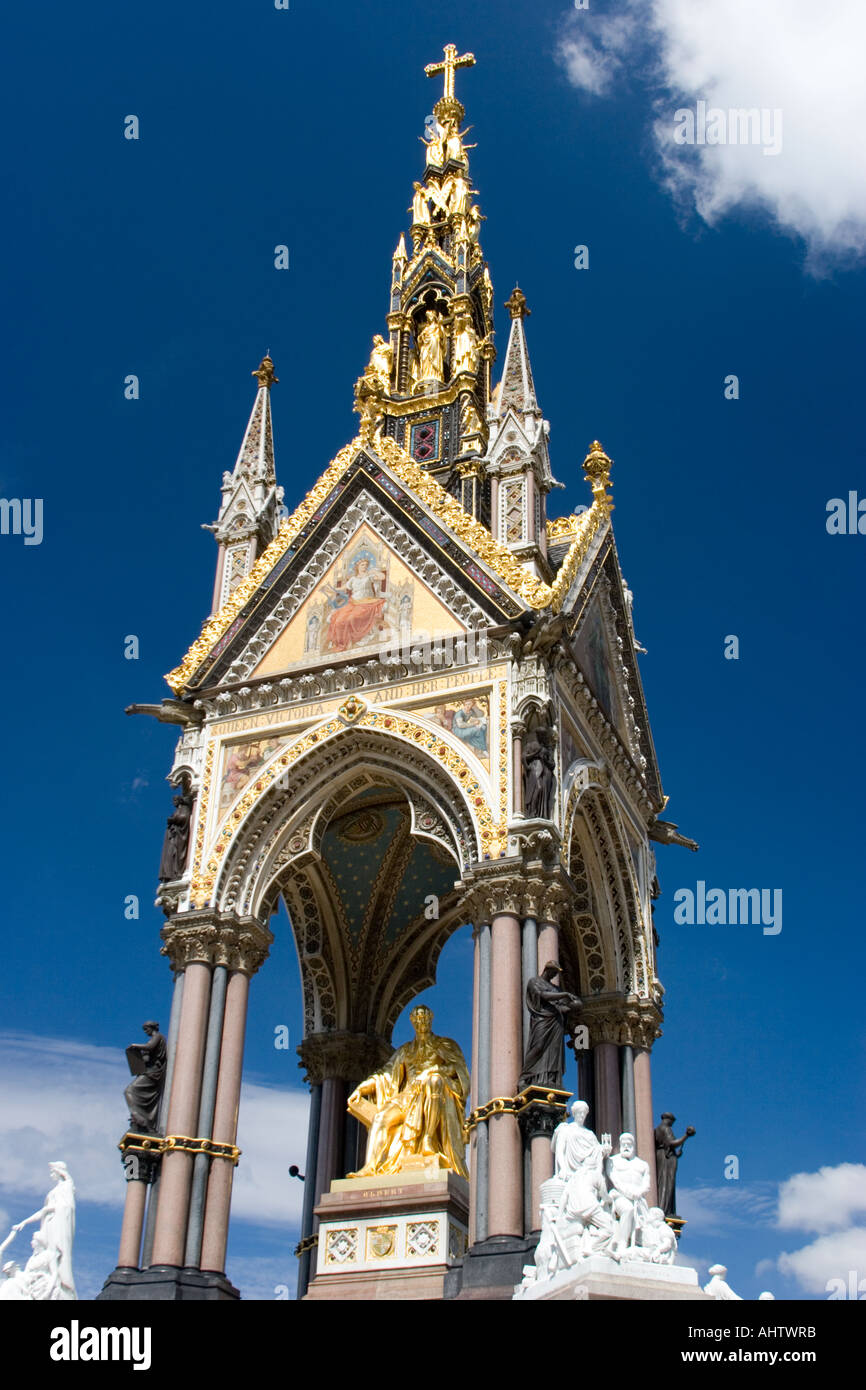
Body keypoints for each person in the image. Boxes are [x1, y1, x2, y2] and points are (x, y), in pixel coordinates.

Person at [347, 1005, 469, 1178]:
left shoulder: (444, 1045)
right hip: (406, 1097)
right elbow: (385, 1074)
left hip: (433, 1093)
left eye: (425, 1018)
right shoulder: (405, 1050)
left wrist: (432, 1071)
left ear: (430, 1019)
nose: (422, 1022)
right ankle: (370, 1167)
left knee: (434, 1081)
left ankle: (428, 1138)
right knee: (380, 1118)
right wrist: (361, 1088)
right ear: (412, 1022)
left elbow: (457, 1069)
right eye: (418, 1019)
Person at [9, 1162, 76, 1300]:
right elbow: (43, 1211)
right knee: (46, 1250)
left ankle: (59, 1282)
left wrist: (51, 1209)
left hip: (58, 1225)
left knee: (56, 1254)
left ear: (59, 1172)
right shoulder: (55, 1190)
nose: (51, 1174)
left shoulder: (66, 1186)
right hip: (49, 1224)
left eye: (53, 1171)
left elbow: (67, 1207)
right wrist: (24, 1222)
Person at [518, 962, 582, 1091]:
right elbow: (543, 996)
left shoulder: (556, 988)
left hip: (556, 1022)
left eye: (556, 973)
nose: (555, 975)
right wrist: (564, 994)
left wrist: (572, 1007)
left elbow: (561, 1006)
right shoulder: (535, 982)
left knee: (554, 1051)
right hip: (542, 1020)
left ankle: (551, 1079)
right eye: (554, 972)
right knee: (538, 1046)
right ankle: (525, 1077)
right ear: (547, 970)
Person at [324, 557, 387, 652]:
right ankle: (341, 643)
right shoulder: (353, 579)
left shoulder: (369, 576)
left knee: (351, 618)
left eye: (366, 565)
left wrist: (374, 571)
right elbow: (342, 588)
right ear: (357, 567)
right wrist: (332, 590)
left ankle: (353, 640)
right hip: (353, 603)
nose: (364, 567)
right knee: (339, 620)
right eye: (362, 565)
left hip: (367, 602)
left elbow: (382, 577)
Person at [606, 1133, 651, 1256]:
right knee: (628, 1209)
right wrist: (628, 1192)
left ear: (633, 1145)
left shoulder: (642, 1164)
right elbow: (614, 1179)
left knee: (649, 1222)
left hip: (638, 1198)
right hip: (620, 1195)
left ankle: (645, 1246)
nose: (626, 1146)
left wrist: (638, 1193)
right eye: (623, 1144)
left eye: (629, 1144)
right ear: (620, 1145)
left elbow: (647, 1185)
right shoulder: (613, 1161)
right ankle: (622, 1244)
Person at [124, 1021, 167, 1133]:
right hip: (148, 1071)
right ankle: (139, 1118)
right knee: (131, 1091)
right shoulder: (154, 1038)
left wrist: (135, 1046)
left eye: (146, 1029)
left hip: (153, 1072)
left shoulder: (158, 1037)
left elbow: (150, 1047)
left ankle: (139, 1118)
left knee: (130, 1091)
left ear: (152, 1028)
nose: (145, 1032)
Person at [654, 1112, 695, 1217]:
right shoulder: (665, 1128)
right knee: (667, 1183)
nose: (672, 1123)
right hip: (666, 1158)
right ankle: (664, 1210)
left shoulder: (658, 1129)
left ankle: (665, 1209)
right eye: (672, 1121)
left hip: (664, 1156)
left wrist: (676, 1155)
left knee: (665, 1182)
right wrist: (686, 1135)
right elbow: (672, 1143)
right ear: (668, 1119)